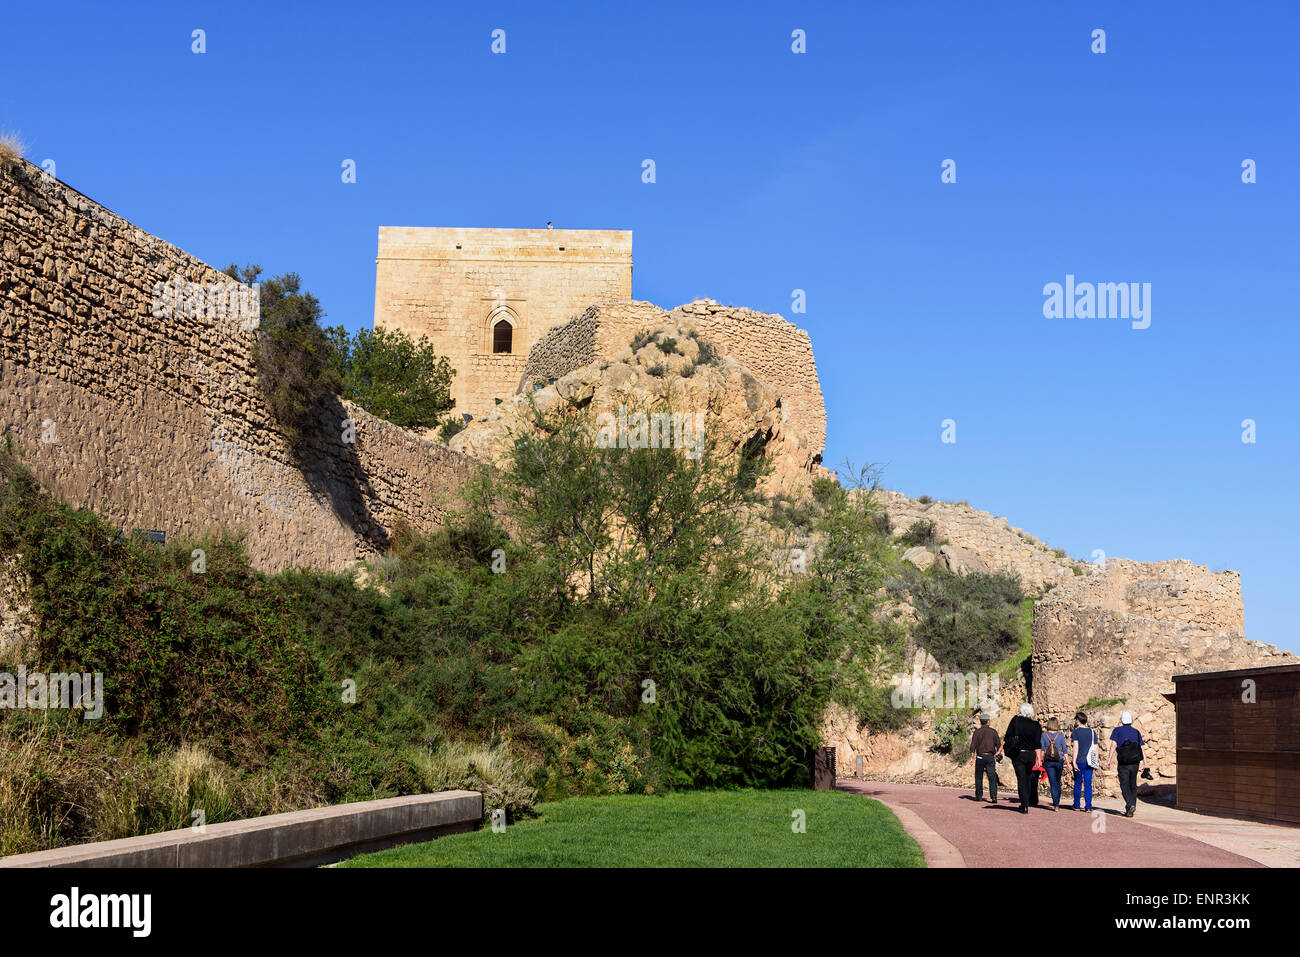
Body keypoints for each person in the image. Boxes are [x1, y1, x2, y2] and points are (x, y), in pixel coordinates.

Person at [1003, 703, 1043, 813]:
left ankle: (1024, 804)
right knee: (1028, 777)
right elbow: (1037, 744)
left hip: (1018, 754)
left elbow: (1007, 737)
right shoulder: (1036, 725)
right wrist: (1039, 759)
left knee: (1021, 779)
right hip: (1031, 755)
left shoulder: (1016, 720)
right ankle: (1028, 801)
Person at [1110, 711, 1149, 817]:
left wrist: (1109, 760)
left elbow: (1113, 745)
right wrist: (1145, 764)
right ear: (1131, 720)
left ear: (1121, 720)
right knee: (1132, 784)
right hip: (1135, 762)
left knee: (1124, 784)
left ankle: (1130, 803)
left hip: (1123, 762)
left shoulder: (1117, 730)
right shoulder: (1136, 732)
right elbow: (1141, 749)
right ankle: (1131, 808)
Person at [968, 711, 1002, 803]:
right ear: (988, 721)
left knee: (979, 777)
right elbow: (998, 745)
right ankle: (994, 796)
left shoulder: (977, 732)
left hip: (980, 757)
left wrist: (971, 758)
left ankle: (979, 796)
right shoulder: (993, 732)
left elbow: (973, 746)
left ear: (981, 721)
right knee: (992, 777)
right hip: (990, 757)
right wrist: (998, 754)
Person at [1070, 711, 1100, 811]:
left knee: (1078, 783)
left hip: (1079, 760)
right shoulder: (1092, 732)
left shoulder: (1076, 732)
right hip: (1090, 762)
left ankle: (1077, 805)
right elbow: (1096, 748)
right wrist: (1096, 762)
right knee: (1088, 784)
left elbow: (1076, 748)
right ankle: (1088, 806)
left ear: (1078, 720)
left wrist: (1073, 761)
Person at [1040, 716, 1067, 810]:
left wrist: (1040, 760)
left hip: (1048, 761)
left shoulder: (1044, 735)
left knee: (1052, 783)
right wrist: (1067, 762)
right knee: (1057, 782)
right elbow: (1064, 749)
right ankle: (1057, 801)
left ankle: (1056, 804)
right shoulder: (1060, 735)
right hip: (1059, 760)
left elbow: (1042, 749)